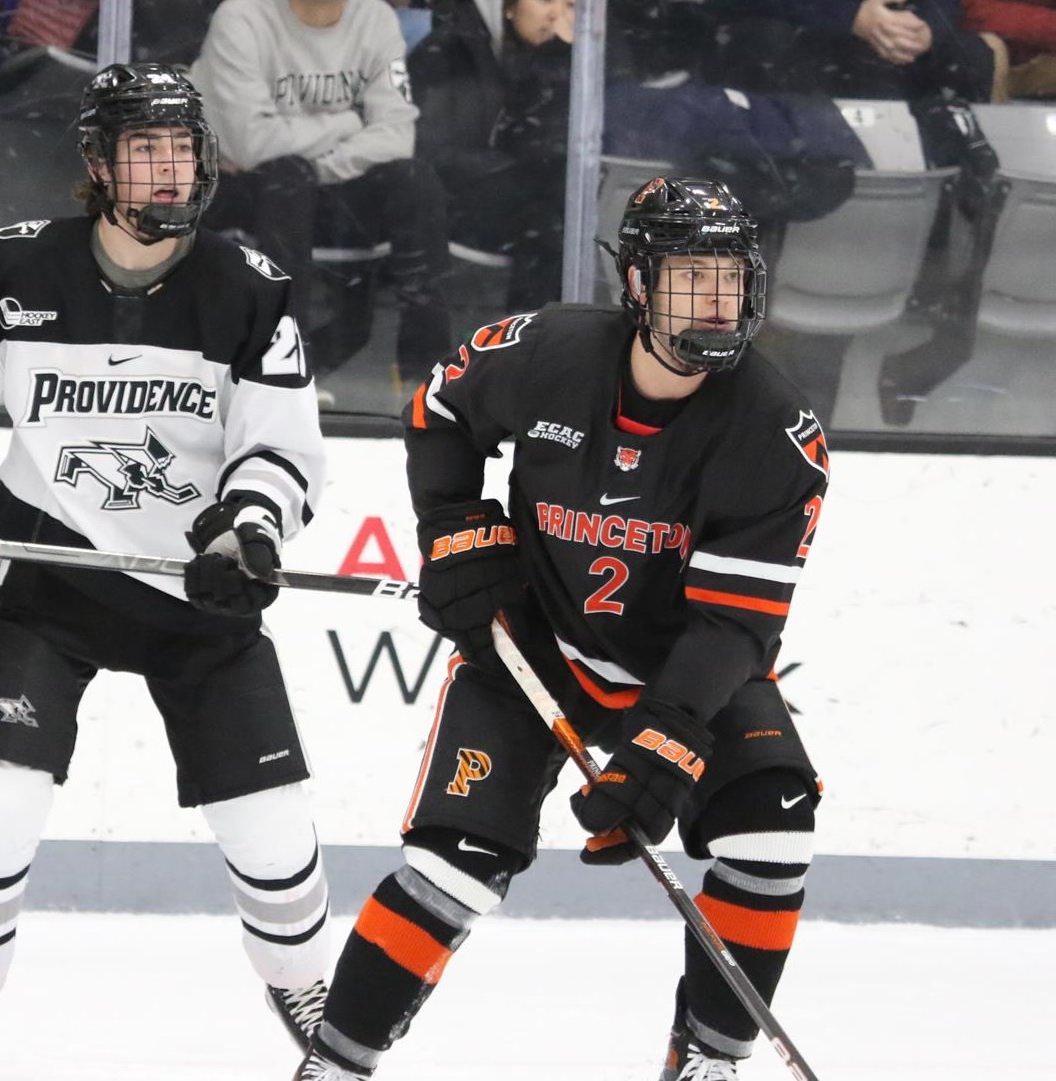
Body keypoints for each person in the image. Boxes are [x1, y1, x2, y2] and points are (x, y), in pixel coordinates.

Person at [0, 63, 336, 1078]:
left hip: (195, 595)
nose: (167, 169)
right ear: (100, 164)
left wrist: (246, 533)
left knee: (273, 830)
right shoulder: (16, 269)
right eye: (144, 148)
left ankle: (307, 986)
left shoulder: (247, 286)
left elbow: (280, 448)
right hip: (48, 582)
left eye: (182, 147)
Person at [292, 177, 830, 1081]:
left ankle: (707, 1059)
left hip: (686, 666)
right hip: (531, 646)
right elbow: (439, 413)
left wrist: (664, 740)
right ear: (636, 285)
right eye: (689, 277)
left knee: (773, 830)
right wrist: (455, 531)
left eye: (728, 278)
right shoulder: (544, 353)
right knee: (450, 870)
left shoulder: (777, 433)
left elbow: (732, 622)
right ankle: (335, 1065)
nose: (714, 301)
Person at [188, 0, 454, 386]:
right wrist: (351, 122)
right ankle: (281, 362)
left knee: (414, 179)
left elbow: (397, 136)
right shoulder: (242, 16)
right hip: (245, 192)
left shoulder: (376, 19)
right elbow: (252, 145)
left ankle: (427, 373)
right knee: (286, 175)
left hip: (325, 184)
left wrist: (319, 166)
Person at [408, 0, 574, 310]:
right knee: (551, 223)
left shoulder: (547, 60)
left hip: (525, 199)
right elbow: (429, 149)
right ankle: (528, 341)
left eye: (571, 5)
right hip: (457, 203)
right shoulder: (447, 51)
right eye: (546, 0)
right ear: (507, 7)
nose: (557, 15)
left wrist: (559, 56)